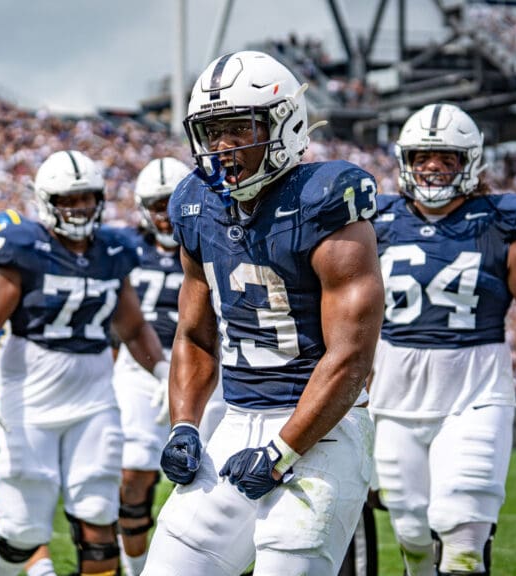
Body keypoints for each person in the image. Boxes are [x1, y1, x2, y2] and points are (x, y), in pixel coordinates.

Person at [142, 50, 385, 575]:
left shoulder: (325, 197)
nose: (223, 149)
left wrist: (282, 450)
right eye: (212, 132)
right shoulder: (193, 204)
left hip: (324, 428)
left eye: (238, 129)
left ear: (285, 125)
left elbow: (351, 356)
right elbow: (194, 336)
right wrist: (184, 425)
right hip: (237, 419)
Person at [368, 103, 516, 576]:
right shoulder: (378, 222)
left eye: (446, 158)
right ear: (404, 162)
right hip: (393, 398)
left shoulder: (502, 222)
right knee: (411, 535)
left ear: (470, 163)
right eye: (421, 158)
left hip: (475, 393)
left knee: (462, 535)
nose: (432, 167)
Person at [0, 150, 169, 576]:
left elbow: (133, 328)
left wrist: (162, 371)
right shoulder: (24, 246)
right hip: (30, 388)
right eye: (68, 199)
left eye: (86, 198)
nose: (79, 208)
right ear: (46, 201)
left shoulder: (114, 249)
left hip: (94, 387)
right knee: (22, 527)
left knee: (98, 510)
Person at [111, 157, 227, 576]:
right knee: (134, 474)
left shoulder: (211, 236)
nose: (163, 213)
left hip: (204, 366)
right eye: (155, 204)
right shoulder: (123, 246)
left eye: (169, 202)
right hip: (140, 369)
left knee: (212, 475)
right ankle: (136, 567)